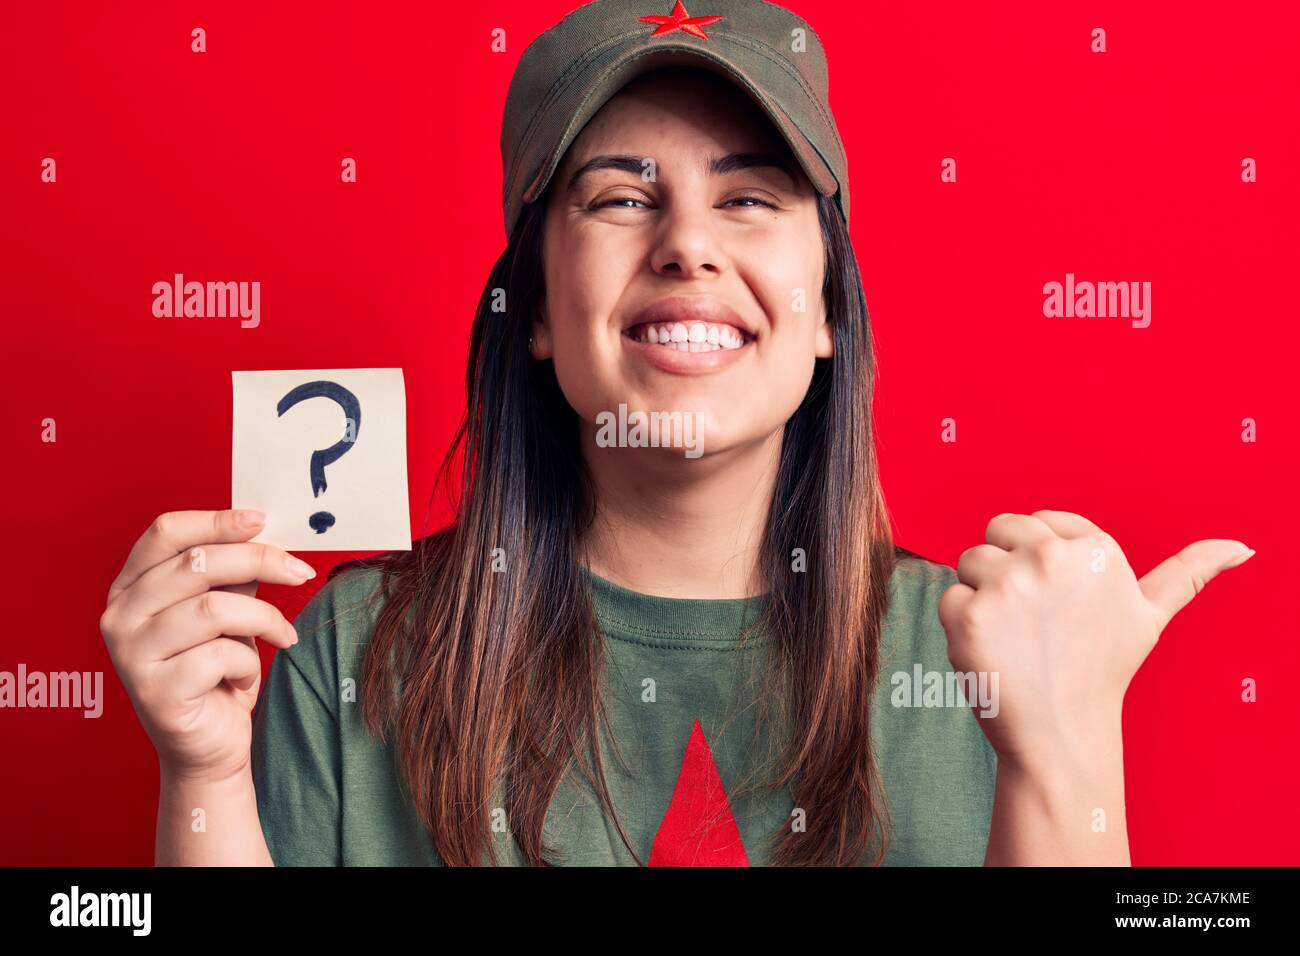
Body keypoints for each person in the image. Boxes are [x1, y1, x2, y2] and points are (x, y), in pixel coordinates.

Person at [99, 0, 1253, 867]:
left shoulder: (988, 659)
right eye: (618, 196)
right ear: (538, 310)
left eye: (749, 197)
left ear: (826, 315)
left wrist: (1065, 757)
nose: (688, 243)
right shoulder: (349, 656)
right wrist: (201, 773)